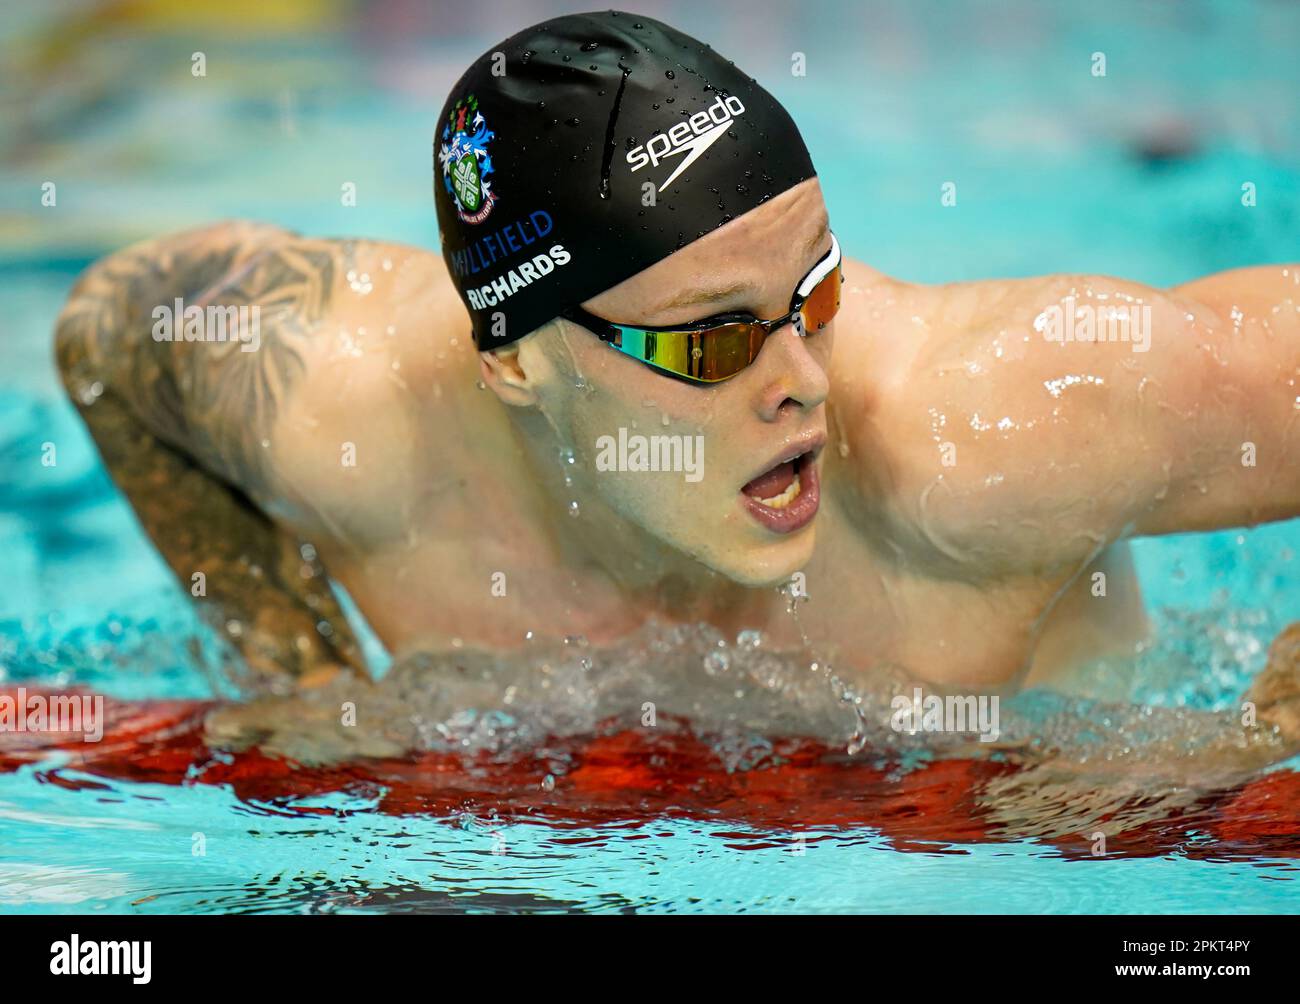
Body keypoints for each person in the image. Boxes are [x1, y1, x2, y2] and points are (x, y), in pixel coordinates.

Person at [54, 11, 1299, 708]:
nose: (803, 376)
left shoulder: (1002, 422)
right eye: (710, 339)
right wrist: (299, 678)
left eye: (814, 290)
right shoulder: (348, 419)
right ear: (515, 365)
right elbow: (103, 330)